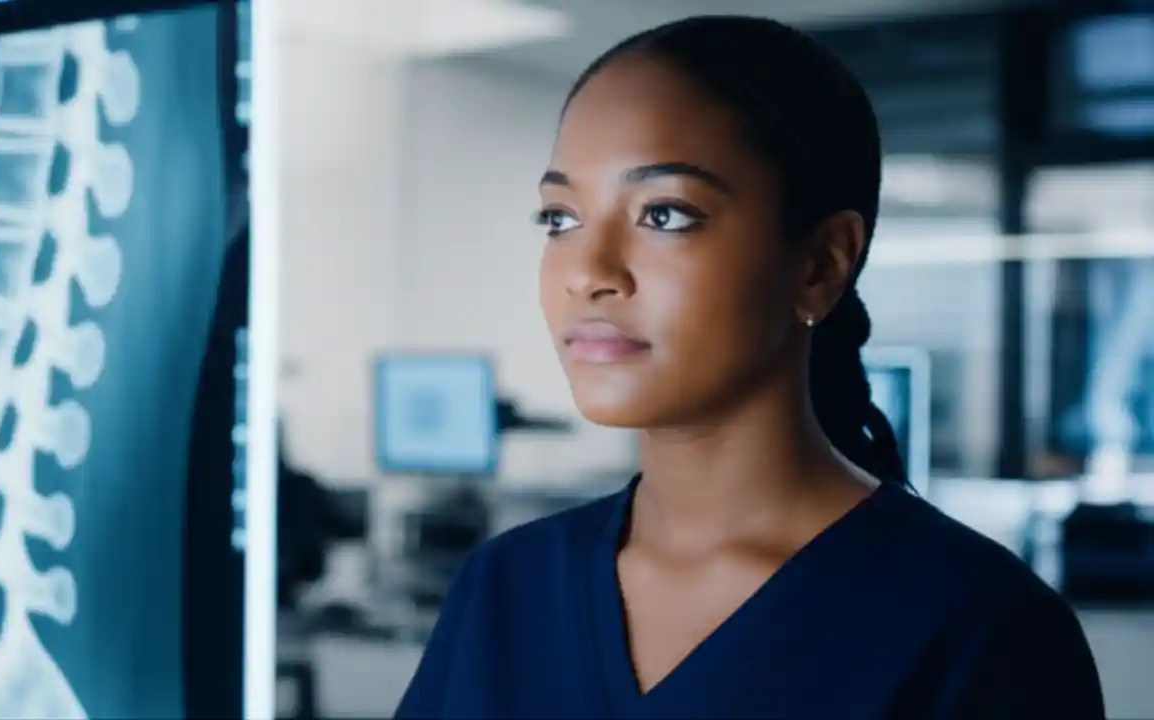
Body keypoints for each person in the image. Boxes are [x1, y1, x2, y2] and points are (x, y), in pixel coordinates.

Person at [395, 15, 1105, 719]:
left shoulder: (980, 627)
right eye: (560, 219)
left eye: (665, 215)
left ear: (821, 263)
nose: (588, 273)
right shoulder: (506, 586)